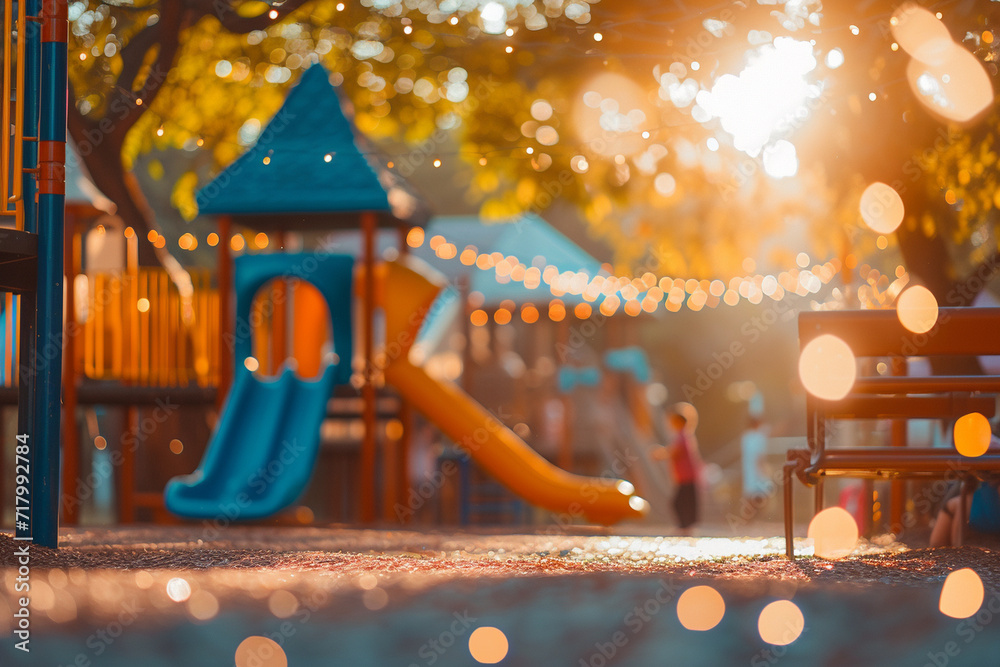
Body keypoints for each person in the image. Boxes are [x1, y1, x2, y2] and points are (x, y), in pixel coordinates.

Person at [655, 403, 702, 535]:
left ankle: (685, 526)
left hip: (687, 475)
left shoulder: (682, 435)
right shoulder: (683, 435)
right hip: (685, 475)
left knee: (679, 502)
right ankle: (686, 526)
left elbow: (675, 452)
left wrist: (660, 453)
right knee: (684, 501)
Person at [740, 416, 772, 514]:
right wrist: (764, 470)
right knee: (763, 492)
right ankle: (761, 515)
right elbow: (759, 456)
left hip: (748, 468)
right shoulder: (759, 437)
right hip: (757, 469)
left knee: (750, 492)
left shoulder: (746, 436)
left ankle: (747, 516)